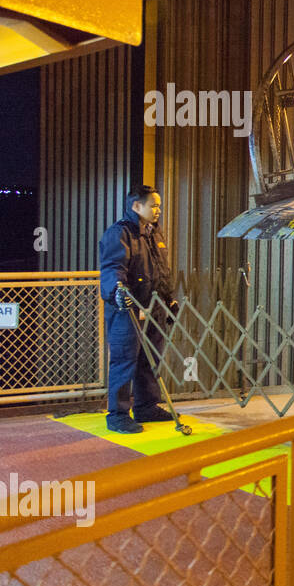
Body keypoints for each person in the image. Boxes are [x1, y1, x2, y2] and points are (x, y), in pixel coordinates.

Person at [98, 185, 179, 433]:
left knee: (150, 359)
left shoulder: (154, 233)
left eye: (159, 206)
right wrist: (118, 291)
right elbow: (113, 267)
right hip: (127, 308)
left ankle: (146, 407)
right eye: (153, 205)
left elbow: (161, 270)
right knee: (124, 360)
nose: (158, 210)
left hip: (153, 307)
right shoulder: (120, 233)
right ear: (136, 206)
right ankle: (118, 415)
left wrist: (169, 299)